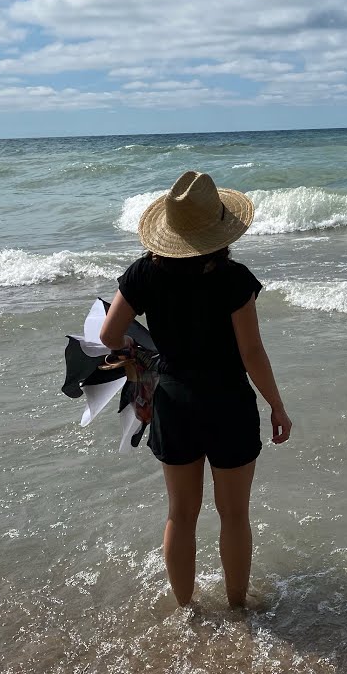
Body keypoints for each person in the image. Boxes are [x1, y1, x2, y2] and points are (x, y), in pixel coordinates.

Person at [99, 170, 292, 608]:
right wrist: (277, 406)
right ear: (219, 228)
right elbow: (252, 352)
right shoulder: (234, 278)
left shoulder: (142, 274)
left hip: (175, 402)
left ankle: (187, 610)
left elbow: (110, 336)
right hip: (229, 403)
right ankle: (238, 607)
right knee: (235, 516)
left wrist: (134, 347)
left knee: (181, 516)